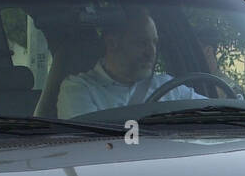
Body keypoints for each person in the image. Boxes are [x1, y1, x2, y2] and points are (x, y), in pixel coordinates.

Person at [54, 8, 203, 119]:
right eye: (142, 43)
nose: (151, 52)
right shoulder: (79, 89)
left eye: (155, 43)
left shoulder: (168, 87)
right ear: (112, 43)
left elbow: (212, 110)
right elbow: (89, 147)